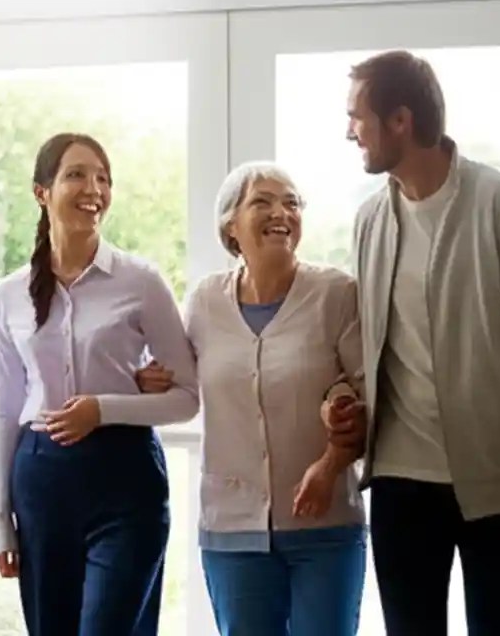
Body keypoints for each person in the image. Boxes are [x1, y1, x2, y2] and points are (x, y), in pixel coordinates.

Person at [333, 49, 500, 636]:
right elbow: (368, 346)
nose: (349, 132)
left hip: (496, 480)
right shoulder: (370, 219)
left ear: (400, 120)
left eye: (357, 117)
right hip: (399, 481)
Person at [136, 161, 368, 636]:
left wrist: (330, 464)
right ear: (230, 225)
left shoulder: (336, 293)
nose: (280, 211)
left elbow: (372, 398)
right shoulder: (204, 301)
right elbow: (179, 380)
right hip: (231, 528)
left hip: (325, 527)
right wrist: (144, 379)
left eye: (291, 202)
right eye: (262, 202)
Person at [0, 132, 200, 635]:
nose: (94, 188)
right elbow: (4, 407)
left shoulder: (141, 282)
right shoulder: (9, 295)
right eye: (77, 174)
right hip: (41, 482)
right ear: (42, 191)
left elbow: (187, 398)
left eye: (103, 178)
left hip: (126, 480)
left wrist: (102, 409)